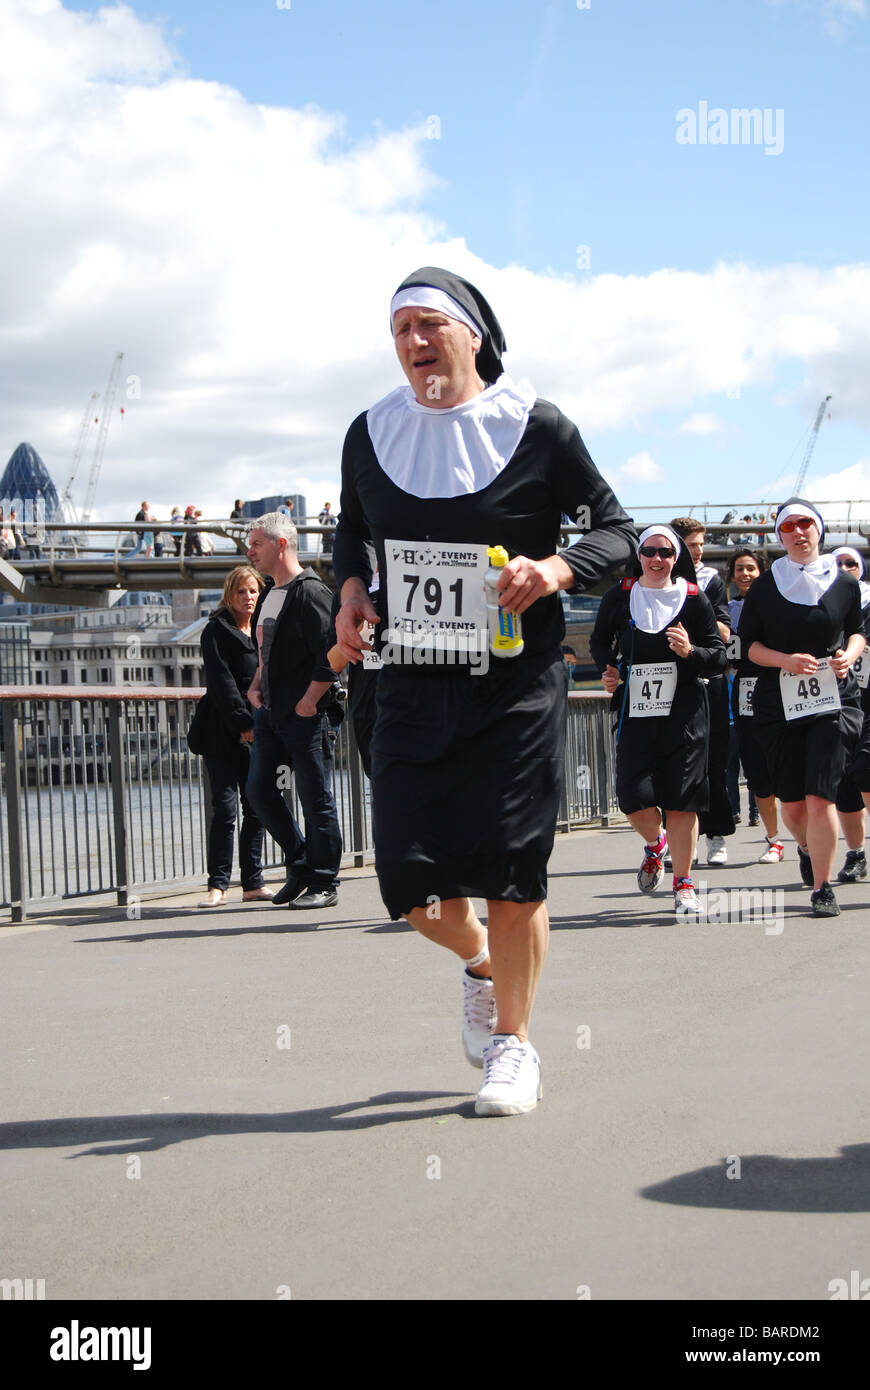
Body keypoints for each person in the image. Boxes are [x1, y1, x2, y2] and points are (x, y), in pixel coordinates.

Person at [333, 265, 635, 1116]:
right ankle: (478, 963)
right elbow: (352, 530)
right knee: (412, 886)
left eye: (431, 325)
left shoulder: (536, 428)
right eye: (401, 332)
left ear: (472, 333)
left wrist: (556, 566)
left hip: (515, 686)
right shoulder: (370, 432)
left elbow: (615, 526)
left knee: (512, 872)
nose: (416, 344)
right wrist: (352, 590)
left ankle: (515, 1045)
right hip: (413, 686)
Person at [738, 499, 865, 916]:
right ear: (780, 536)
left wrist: (849, 653)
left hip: (833, 699)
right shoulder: (765, 586)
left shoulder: (843, 582)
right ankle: (807, 847)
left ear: (819, 529)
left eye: (805, 523)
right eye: (788, 526)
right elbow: (750, 648)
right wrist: (786, 661)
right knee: (792, 804)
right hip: (779, 700)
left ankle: (824, 888)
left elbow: (858, 632)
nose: (798, 531)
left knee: (820, 797)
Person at [591, 525, 726, 917]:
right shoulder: (619, 597)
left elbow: (719, 658)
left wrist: (690, 651)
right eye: (648, 551)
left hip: (685, 714)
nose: (656, 559)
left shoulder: (694, 599)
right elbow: (600, 641)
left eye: (665, 553)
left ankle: (683, 885)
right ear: (639, 555)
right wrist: (609, 669)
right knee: (632, 798)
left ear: (676, 557)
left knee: (683, 801)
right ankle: (656, 845)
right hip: (636, 711)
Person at [246, 511, 342, 910]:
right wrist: (255, 683)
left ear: (281, 544)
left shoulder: (312, 592)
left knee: (314, 797)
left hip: (305, 714)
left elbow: (335, 652)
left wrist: (310, 699)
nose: (249, 551)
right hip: (270, 711)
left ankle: (325, 881)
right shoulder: (269, 593)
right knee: (258, 791)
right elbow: (267, 653)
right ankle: (301, 861)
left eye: (256, 544)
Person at [195, 567, 272, 907]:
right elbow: (222, 681)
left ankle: (253, 882)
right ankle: (218, 884)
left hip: (258, 731)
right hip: (222, 732)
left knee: (256, 807)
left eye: (253, 591)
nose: (248, 597)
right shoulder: (216, 631)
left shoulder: (262, 631)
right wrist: (244, 723)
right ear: (230, 594)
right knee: (225, 810)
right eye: (241, 591)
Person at [670, 517, 734, 865]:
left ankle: (716, 834)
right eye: (691, 544)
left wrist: (698, 632)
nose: (698, 550)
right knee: (675, 763)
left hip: (709, 679)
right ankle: (680, 843)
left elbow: (724, 630)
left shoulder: (710, 582)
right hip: (673, 683)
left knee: (714, 761)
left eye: (700, 543)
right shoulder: (655, 583)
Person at [726, 548, 782, 860]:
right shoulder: (726, 609)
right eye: (739, 569)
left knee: (787, 763)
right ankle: (773, 839)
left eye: (750, 568)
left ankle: (804, 834)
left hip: (778, 685)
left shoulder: (779, 604)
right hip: (744, 690)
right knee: (755, 766)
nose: (745, 574)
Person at [831, 546, 870, 883]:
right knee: (845, 782)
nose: (844, 568)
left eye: (851, 563)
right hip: (840, 701)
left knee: (866, 771)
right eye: (837, 563)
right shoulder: (825, 604)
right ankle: (856, 853)